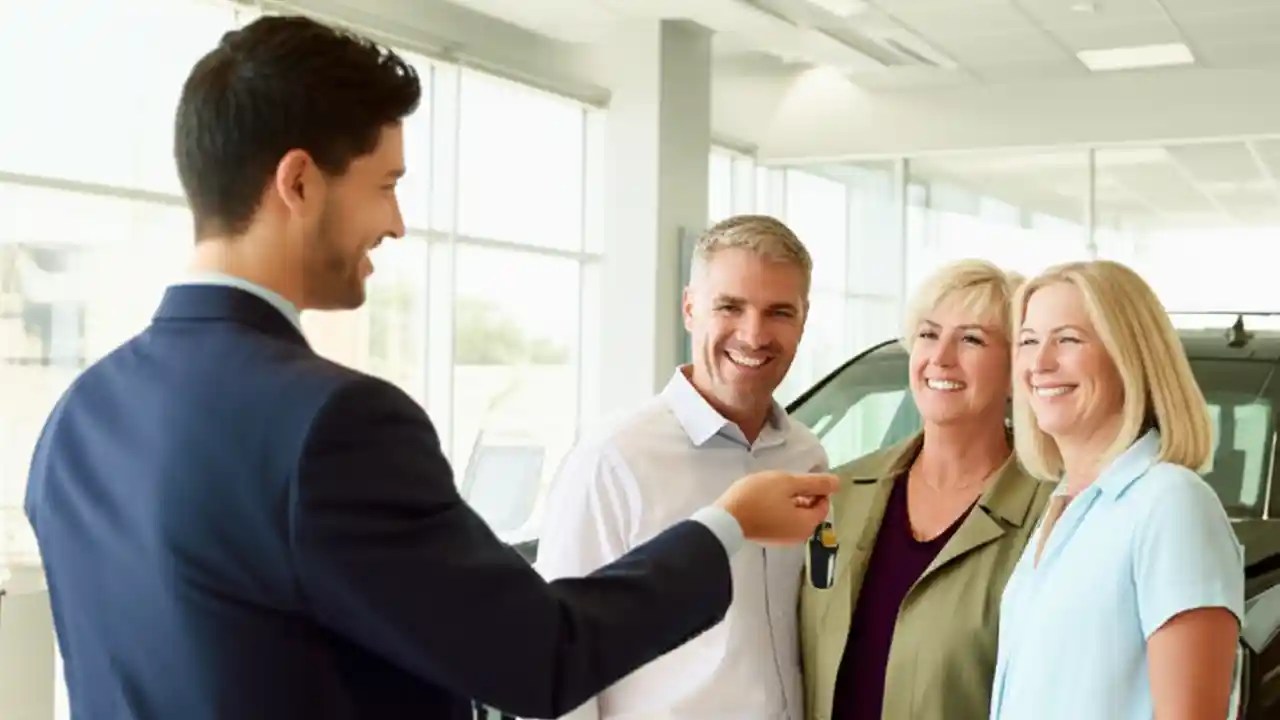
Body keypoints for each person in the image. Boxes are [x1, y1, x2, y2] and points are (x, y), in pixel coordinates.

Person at [22, 16, 839, 720]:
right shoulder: (336, 426)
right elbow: (538, 655)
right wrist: (728, 524)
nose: (398, 223)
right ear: (299, 182)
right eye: (386, 185)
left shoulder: (78, 417)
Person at [534, 215, 828, 720]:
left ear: (803, 319)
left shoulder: (807, 456)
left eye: (779, 311)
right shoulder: (614, 459)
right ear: (690, 308)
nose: (754, 335)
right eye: (730, 307)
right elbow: (553, 664)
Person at [800, 259, 1054, 720]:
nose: (940, 357)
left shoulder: (1053, 513)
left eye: (972, 339)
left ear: (1019, 367)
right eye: (928, 334)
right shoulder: (839, 494)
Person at [990, 260, 1244, 720]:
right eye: (1028, 341)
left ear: (1129, 355)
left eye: (1067, 339)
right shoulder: (1063, 507)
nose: (1040, 363)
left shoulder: (1171, 503)